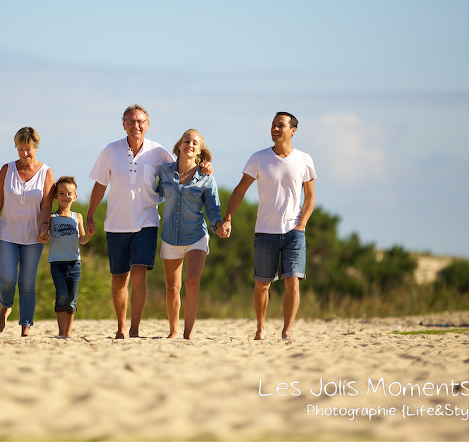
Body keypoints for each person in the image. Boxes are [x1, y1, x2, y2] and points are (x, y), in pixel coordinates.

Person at [86, 105, 211, 339]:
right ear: (123, 124)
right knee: (118, 279)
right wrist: (90, 215)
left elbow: (181, 168)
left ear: (148, 125)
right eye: (131, 121)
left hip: (147, 222)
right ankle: (121, 326)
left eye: (140, 121)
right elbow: (100, 184)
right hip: (116, 224)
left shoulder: (158, 152)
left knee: (139, 276)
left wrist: (204, 165)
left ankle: (133, 329)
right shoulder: (110, 151)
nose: (136, 126)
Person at [218, 112, 316, 340]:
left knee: (293, 281)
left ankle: (287, 330)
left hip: (294, 231)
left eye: (280, 125)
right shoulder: (259, 158)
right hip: (265, 231)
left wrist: (302, 224)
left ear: (293, 130)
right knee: (262, 284)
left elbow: (310, 197)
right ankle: (261, 328)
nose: (275, 129)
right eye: (273, 125)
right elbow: (240, 189)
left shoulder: (304, 160)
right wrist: (228, 218)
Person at [0, 127, 54, 337]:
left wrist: (44, 227)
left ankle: (26, 326)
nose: (24, 154)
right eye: (20, 149)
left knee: (26, 282)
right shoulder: (7, 170)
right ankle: (5, 306)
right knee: (7, 278)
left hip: (34, 237)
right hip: (7, 234)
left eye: (28, 149)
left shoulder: (46, 173)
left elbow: (46, 205)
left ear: (36, 148)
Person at [157, 129, 223, 340]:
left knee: (192, 281)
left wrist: (219, 225)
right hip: (170, 236)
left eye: (195, 143)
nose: (190, 145)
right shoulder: (165, 172)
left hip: (196, 236)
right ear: (179, 145)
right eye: (187, 141)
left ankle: (188, 332)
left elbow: (213, 209)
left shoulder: (206, 177)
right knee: (172, 288)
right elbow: (155, 196)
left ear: (199, 150)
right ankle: (173, 331)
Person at [46, 176, 92, 338]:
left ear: (75, 196)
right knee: (62, 295)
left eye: (69, 193)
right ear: (55, 196)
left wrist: (90, 234)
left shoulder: (77, 217)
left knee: (72, 297)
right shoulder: (51, 218)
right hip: (56, 262)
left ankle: (68, 331)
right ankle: (61, 331)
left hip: (74, 263)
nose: (66, 197)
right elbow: (44, 237)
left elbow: (82, 240)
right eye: (62, 193)